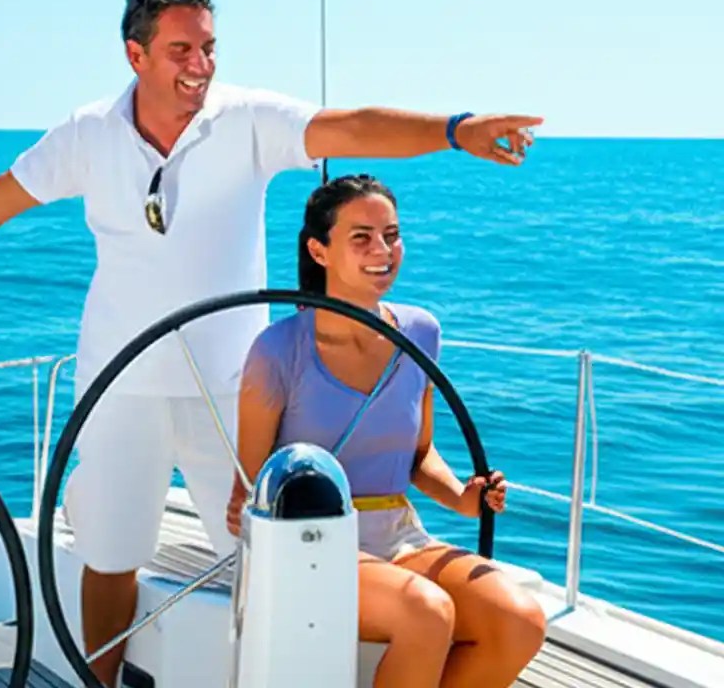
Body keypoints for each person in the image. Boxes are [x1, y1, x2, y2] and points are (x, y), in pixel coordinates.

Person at [0, 0, 541, 685]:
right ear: (137, 55)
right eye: (182, 50)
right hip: (119, 381)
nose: (202, 65)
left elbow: (348, 127)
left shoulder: (249, 118)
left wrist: (455, 130)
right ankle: (100, 681)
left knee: (270, 553)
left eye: (210, 48)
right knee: (110, 551)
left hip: (234, 388)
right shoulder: (88, 134)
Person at [226, 174, 547, 688]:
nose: (383, 250)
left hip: (398, 535)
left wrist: (464, 499)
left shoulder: (421, 332)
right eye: (361, 237)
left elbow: (418, 455)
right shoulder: (277, 350)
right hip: (305, 544)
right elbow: (249, 492)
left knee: (519, 621)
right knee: (425, 612)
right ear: (319, 249)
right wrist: (247, 503)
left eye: (392, 235)